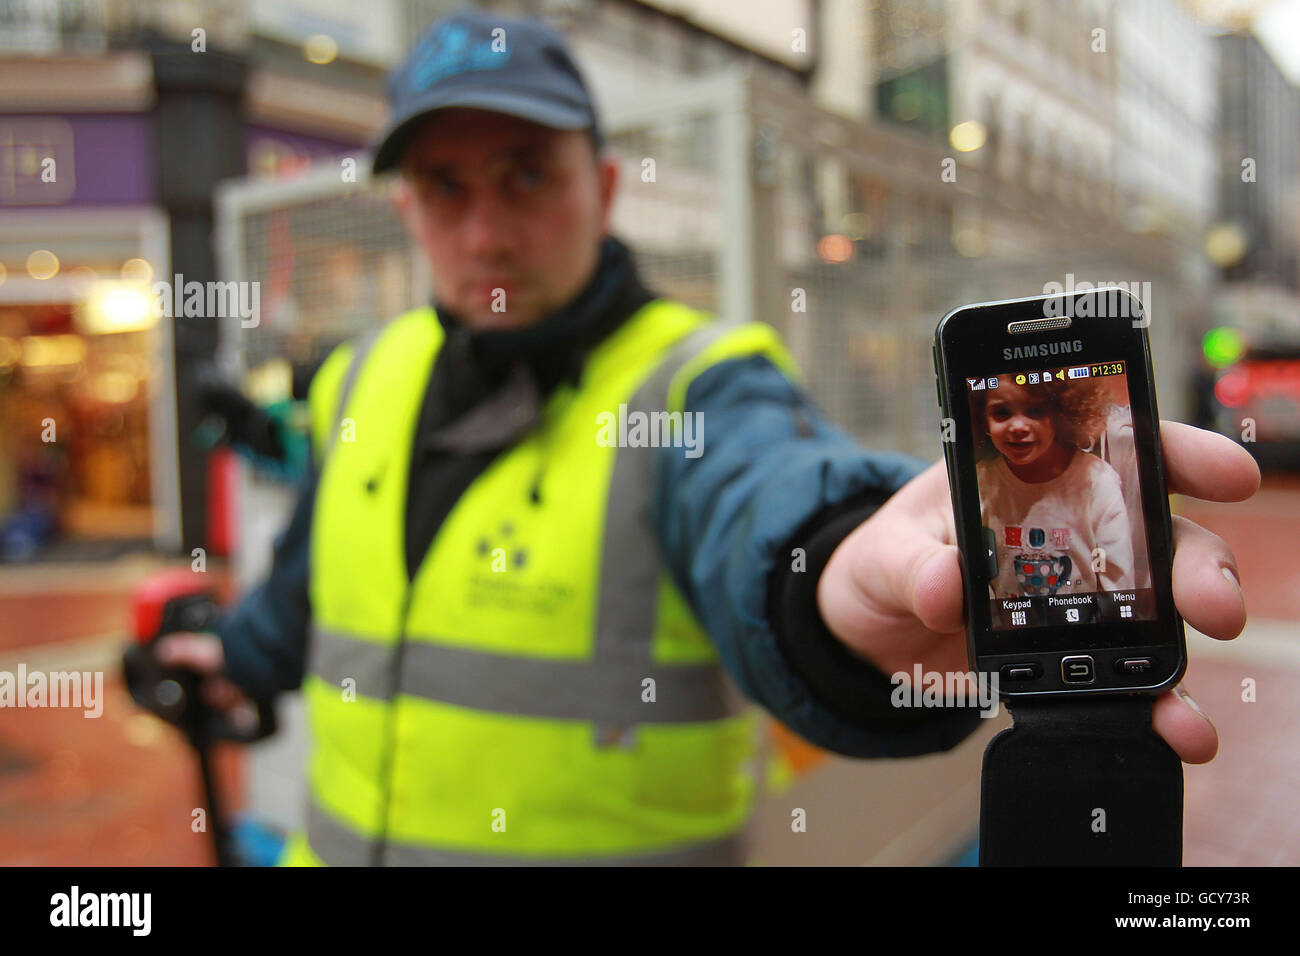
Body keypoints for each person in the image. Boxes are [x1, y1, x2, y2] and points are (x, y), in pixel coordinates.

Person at [158, 10, 1259, 866]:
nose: (485, 227)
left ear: (599, 186)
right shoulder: (364, 374)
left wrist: (836, 587)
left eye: (525, 174)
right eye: (446, 187)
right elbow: (311, 582)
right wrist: (231, 656)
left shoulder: (697, 380)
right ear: (405, 209)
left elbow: (764, 498)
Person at [973, 373, 1134, 597]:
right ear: (983, 419)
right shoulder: (982, 481)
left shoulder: (1096, 480)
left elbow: (1118, 578)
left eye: (1035, 411)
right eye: (1002, 413)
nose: (1018, 426)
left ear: (1061, 414)